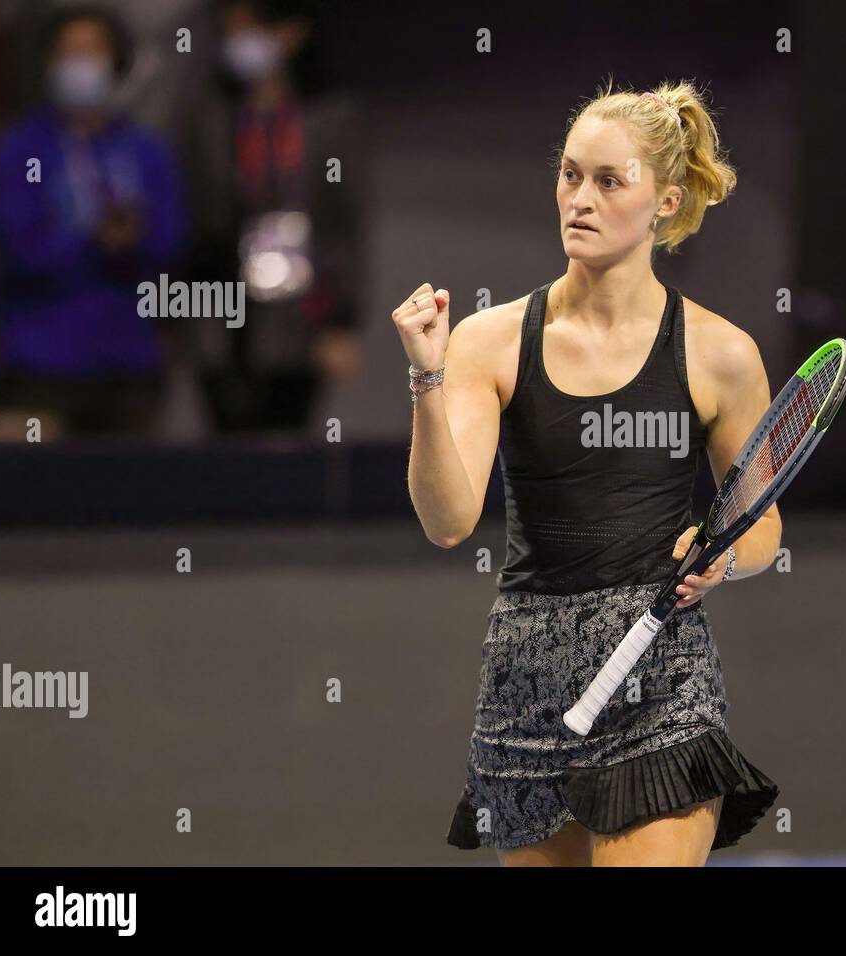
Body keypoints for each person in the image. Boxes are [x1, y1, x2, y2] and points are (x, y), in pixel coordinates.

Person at [395, 80, 780, 866]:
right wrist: (427, 381)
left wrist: (723, 560)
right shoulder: (486, 340)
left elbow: (763, 523)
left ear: (666, 203)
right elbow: (446, 521)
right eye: (571, 175)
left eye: (610, 181)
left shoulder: (723, 354)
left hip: (661, 682)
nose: (581, 198)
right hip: (525, 682)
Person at [0, 3, 186, 440]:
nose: (81, 66)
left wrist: (133, 241)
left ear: (116, 63)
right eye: (68, 54)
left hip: (129, 363)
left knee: (127, 501)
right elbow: (19, 248)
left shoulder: (144, 150)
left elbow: (170, 244)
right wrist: (91, 242)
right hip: (40, 362)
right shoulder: (22, 150)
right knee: (31, 500)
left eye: (92, 52)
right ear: (47, 64)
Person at [187, 0, 362, 433]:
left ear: (291, 33)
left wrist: (340, 321)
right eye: (231, 31)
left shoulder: (328, 121)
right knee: (224, 454)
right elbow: (192, 212)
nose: (240, 43)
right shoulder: (209, 117)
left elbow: (344, 227)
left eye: (252, 29)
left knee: (285, 452)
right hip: (221, 313)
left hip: (299, 319)